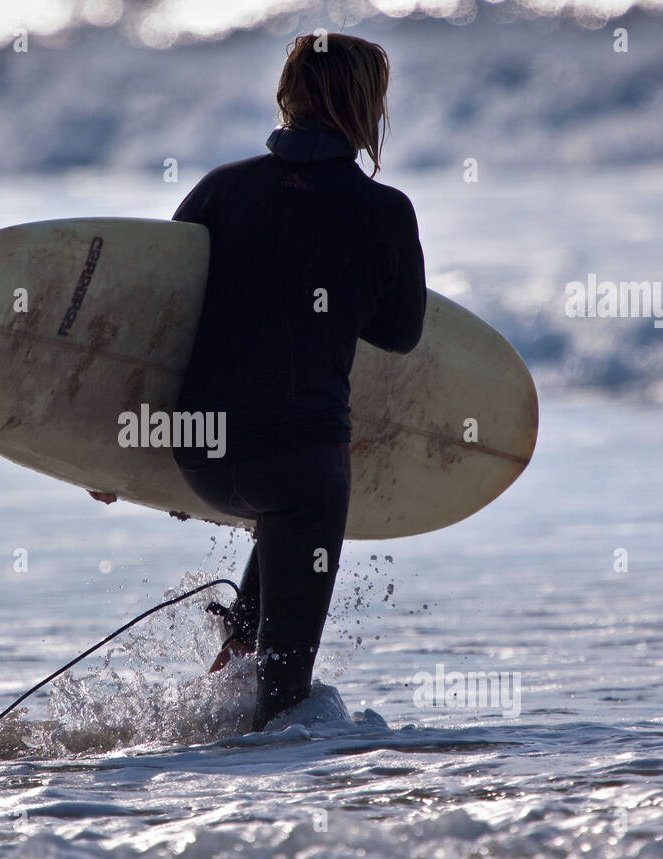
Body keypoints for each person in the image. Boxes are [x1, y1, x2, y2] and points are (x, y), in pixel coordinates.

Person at [170, 33, 427, 731]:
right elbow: (403, 332)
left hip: (200, 455)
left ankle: (206, 721)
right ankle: (273, 818)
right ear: (366, 107)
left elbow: (154, 320)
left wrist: (104, 452)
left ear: (289, 95)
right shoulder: (384, 211)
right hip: (300, 470)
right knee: (287, 699)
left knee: (257, 628)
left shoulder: (221, 188)